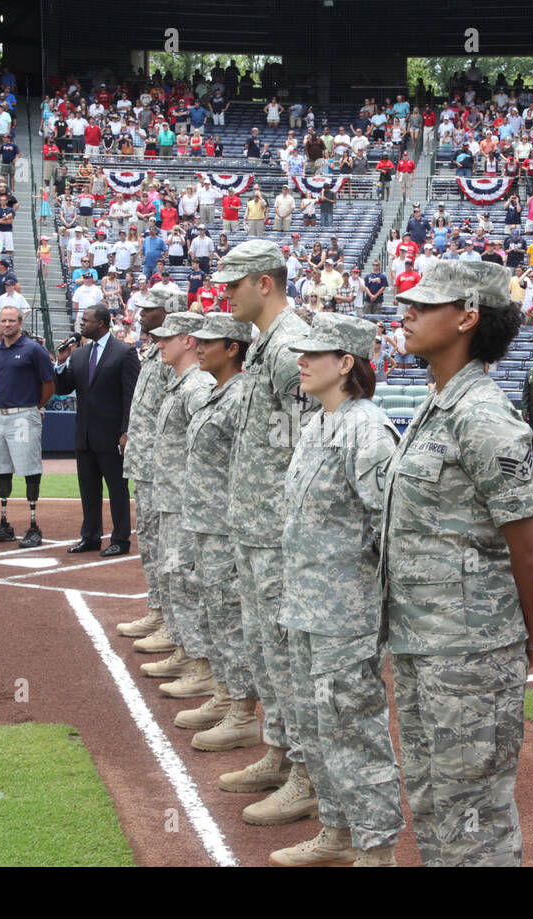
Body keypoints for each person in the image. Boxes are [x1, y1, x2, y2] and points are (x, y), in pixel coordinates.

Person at [386, 260, 533, 866]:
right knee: (432, 801)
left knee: (473, 814)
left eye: (424, 306)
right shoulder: (440, 404)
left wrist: (527, 638)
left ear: (466, 317)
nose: (406, 313)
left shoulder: (481, 414)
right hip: (422, 640)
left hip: (470, 650)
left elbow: (530, 546)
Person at [268, 313, 404, 867]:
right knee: (317, 726)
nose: (300, 361)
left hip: (345, 615)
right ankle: (337, 832)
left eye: (313, 354)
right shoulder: (319, 423)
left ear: (346, 363)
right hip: (305, 606)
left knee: (355, 731)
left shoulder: (367, 430)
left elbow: (389, 529)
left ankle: (377, 851)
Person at [198, 240, 321, 824]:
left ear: (264, 283)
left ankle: (305, 774)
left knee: (287, 656)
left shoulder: (289, 346)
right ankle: (279, 752)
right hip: (255, 526)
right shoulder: (271, 345)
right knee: (268, 651)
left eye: (232, 285)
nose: (224, 295)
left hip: (278, 531)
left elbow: (308, 444)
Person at [171, 312, 253, 735]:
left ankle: (241, 712)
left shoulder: (242, 397)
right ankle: (224, 692)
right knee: (212, 611)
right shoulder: (217, 393)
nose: (199, 348)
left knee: (229, 616)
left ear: (233, 348)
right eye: (197, 342)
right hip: (204, 523)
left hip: (225, 526)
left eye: (208, 343)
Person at [135, 310, 217, 696]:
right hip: (169, 497)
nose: (159, 343)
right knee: (174, 578)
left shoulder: (198, 387)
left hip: (186, 501)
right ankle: (186, 652)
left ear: (189, 341)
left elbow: (206, 450)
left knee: (186, 580)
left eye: (168, 337)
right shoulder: (181, 384)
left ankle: (201, 667)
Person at [117, 288, 186, 648]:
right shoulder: (155, 349)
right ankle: (158, 610)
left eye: (150, 309)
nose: (141, 314)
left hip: (164, 468)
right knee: (150, 541)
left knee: (167, 547)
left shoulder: (180, 354)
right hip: (144, 464)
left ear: (170, 310)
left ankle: (172, 623)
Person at [54, 303, 140, 557]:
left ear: (102, 323)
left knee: (117, 490)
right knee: (88, 490)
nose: (82, 325)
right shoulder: (79, 355)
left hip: (113, 434)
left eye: (86, 321)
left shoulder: (124, 352)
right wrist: (60, 364)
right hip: (85, 435)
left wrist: (126, 431)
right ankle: (90, 537)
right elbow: (63, 388)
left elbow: (130, 396)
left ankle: (120, 539)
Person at [0, 307, 55, 548]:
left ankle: (33, 525)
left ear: (20, 323)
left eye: (12, 320)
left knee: (29, 468)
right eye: (3, 321)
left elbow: (49, 383)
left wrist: (34, 407)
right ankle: (4, 524)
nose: (7, 324)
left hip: (24, 414)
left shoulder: (33, 349)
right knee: (1, 466)